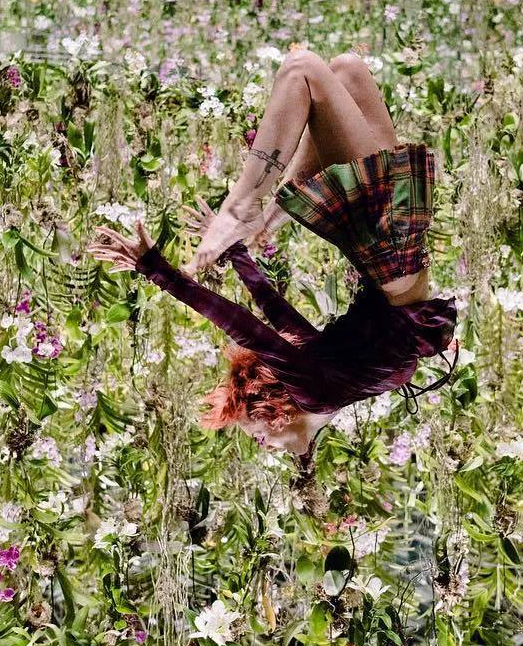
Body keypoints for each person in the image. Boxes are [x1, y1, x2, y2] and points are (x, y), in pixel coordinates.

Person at [88, 49, 458, 460]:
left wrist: (236, 256)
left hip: (390, 250)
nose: (265, 445)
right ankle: (243, 208)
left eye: (258, 439)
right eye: (261, 438)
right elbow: (247, 328)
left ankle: (255, 219)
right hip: (389, 245)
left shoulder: (321, 383)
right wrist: (157, 270)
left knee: (345, 71)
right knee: (306, 71)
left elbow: (276, 315)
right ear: (272, 414)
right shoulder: (318, 396)